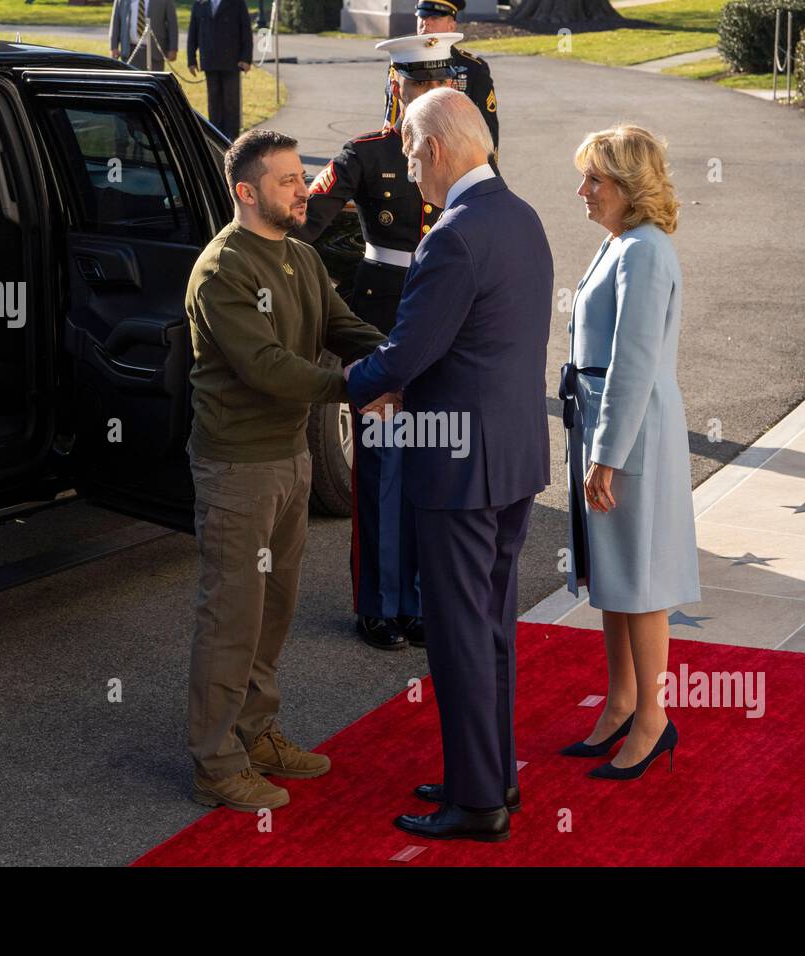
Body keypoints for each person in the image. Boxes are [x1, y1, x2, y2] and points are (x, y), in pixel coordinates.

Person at [345, 88, 552, 842]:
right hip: (512, 456)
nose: (405, 171)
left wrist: (344, 385)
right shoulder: (520, 215)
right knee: (491, 626)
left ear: (434, 148)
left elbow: (409, 352)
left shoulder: (454, 235)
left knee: (461, 631)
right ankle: (491, 772)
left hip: (460, 467)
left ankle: (478, 801)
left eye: (407, 154)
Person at [185, 129, 397, 812]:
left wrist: (400, 358)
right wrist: (362, 386)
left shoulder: (302, 257)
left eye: (300, 176)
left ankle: (255, 732)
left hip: (292, 460)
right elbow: (268, 370)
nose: (302, 188)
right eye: (285, 180)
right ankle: (217, 763)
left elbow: (345, 328)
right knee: (233, 616)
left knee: (274, 610)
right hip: (239, 467)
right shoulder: (223, 271)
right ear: (246, 192)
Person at [291, 34, 458, 653]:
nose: (428, 97)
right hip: (381, 319)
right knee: (382, 468)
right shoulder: (365, 154)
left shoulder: (464, 155)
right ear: (396, 88)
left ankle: (415, 600)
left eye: (439, 85)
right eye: (418, 85)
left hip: (446, 318)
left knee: (430, 464)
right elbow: (304, 224)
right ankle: (378, 603)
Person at [560, 124, 700, 781]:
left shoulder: (642, 251)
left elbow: (635, 361)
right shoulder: (621, 242)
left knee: (640, 582)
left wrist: (606, 454)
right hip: (607, 421)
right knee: (615, 574)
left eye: (596, 180)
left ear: (628, 187)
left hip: (630, 428)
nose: (583, 190)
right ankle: (621, 704)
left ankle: (653, 719)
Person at [382, 1, 499, 167]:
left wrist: (488, 174)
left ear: (452, 26)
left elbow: (487, 130)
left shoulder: (473, 68)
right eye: (422, 15)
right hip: (410, 157)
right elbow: (392, 118)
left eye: (435, 17)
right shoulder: (401, 64)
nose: (426, 22)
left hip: (457, 161)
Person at [187, 0, 253, 142]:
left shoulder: (237, 3)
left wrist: (246, 58)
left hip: (232, 61)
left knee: (231, 102)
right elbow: (193, 32)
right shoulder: (200, 3)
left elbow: (246, 30)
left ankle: (232, 140)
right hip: (210, 61)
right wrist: (191, 60)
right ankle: (216, 139)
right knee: (214, 102)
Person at [110, 0, 179, 70]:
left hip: (155, 52)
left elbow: (172, 24)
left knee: (154, 79)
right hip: (129, 51)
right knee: (132, 80)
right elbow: (116, 22)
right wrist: (114, 47)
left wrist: (173, 48)